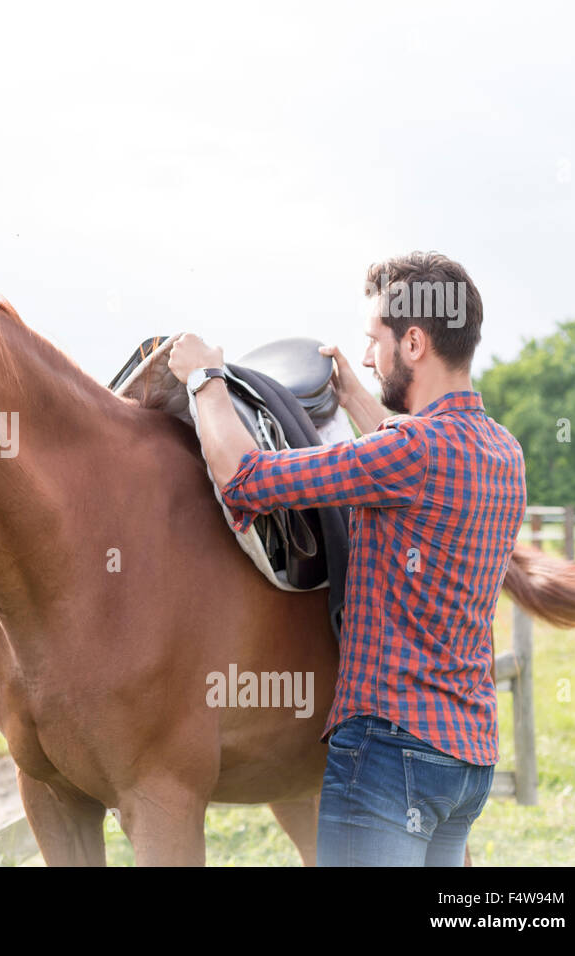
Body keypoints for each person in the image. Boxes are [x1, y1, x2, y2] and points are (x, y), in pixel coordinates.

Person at [168, 251, 526, 866]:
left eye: (375, 340)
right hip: (466, 761)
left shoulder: (408, 451)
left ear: (413, 342)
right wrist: (360, 402)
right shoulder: (502, 452)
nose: (366, 356)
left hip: (389, 757)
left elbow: (243, 477)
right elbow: (414, 460)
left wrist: (206, 378)